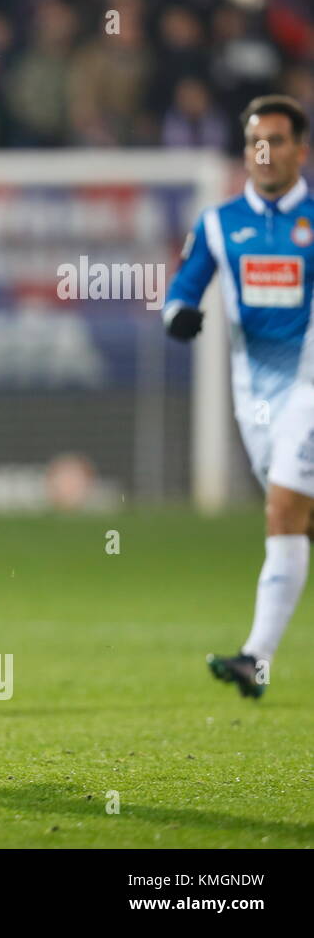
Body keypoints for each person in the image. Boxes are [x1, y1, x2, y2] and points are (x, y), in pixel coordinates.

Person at [164, 94, 314, 699]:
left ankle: (256, 656)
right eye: (257, 140)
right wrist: (178, 315)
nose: (266, 151)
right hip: (253, 399)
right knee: (300, 518)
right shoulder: (219, 223)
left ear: (300, 151)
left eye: (278, 140)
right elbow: (185, 285)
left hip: (309, 391)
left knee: (282, 510)